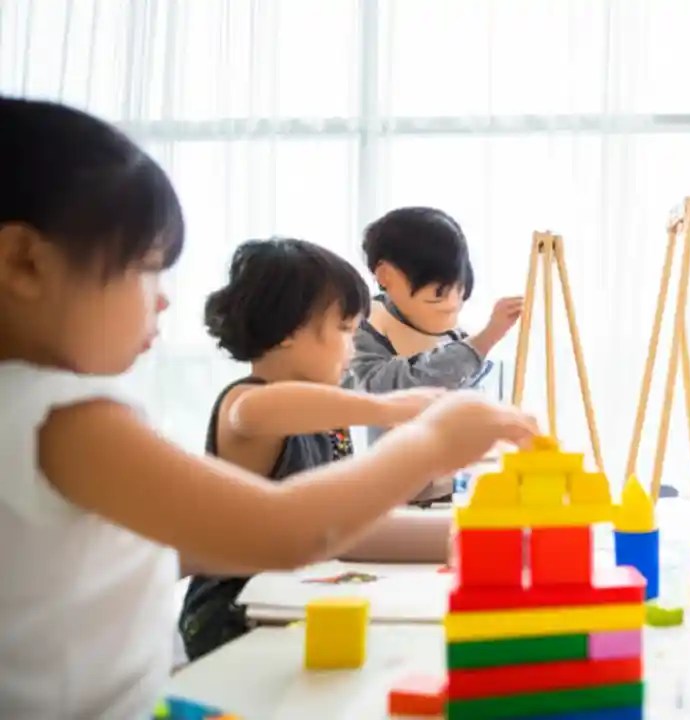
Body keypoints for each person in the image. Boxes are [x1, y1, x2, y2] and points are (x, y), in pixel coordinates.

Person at [0, 96, 536, 719]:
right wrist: (430, 439)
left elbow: (199, 544)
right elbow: (286, 529)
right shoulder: (65, 416)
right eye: (145, 269)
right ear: (24, 261)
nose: (164, 302)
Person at [178, 237, 455, 661]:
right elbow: (253, 415)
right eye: (345, 330)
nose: (354, 346)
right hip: (233, 613)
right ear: (289, 330)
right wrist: (388, 407)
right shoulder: (248, 400)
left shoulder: (328, 417)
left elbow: (347, 527)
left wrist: (466, 534)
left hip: (295, 598)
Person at [344, 206, 523, 502]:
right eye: (437, 294)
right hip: (397, 497)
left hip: (457, 489)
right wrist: (483, 340)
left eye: (459, 291)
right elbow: (386, 390)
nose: (451, 303)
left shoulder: (456, 339)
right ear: (386, 276)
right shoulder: (365, 328)